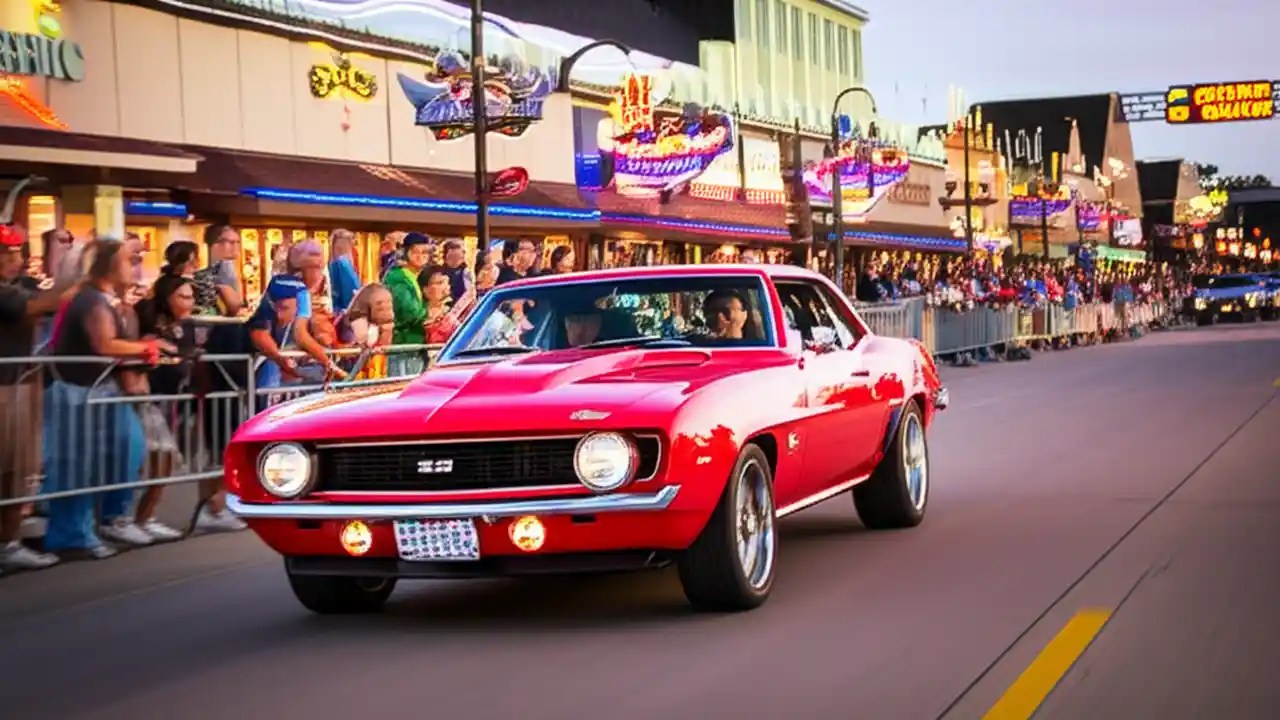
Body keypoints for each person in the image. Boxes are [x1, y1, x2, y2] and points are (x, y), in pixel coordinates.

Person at [42, 239, 176, 558]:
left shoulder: (105, 300)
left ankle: (111, 519)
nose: (136, 266)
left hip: (100, 389)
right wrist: (149, 348)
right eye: (130, 261)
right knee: (77, 464)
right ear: (109, 266)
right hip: (77, 391)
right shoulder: (90, 300)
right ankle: (72, 534)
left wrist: (145, 347)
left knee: (127, 450)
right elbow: (104, 344)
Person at [0, 225, 63, 572]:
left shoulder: (20, 286)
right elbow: (40, 305)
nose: (13, 260)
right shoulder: (7, 295)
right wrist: (76, 276)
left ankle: (8, 543)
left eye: (16, 253)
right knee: (8, 467)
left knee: (18, 470)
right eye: (5, 254)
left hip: (20, 387)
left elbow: (46, 298)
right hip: (5, 390)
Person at [384, 232, 433, 374]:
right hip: (404, 346)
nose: (420, 256)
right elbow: (410, 313)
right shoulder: (398, 277)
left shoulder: (417, 277)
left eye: (424, 252)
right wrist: (432, 312)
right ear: (406, 252)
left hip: (416, 346)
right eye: (415, 251)